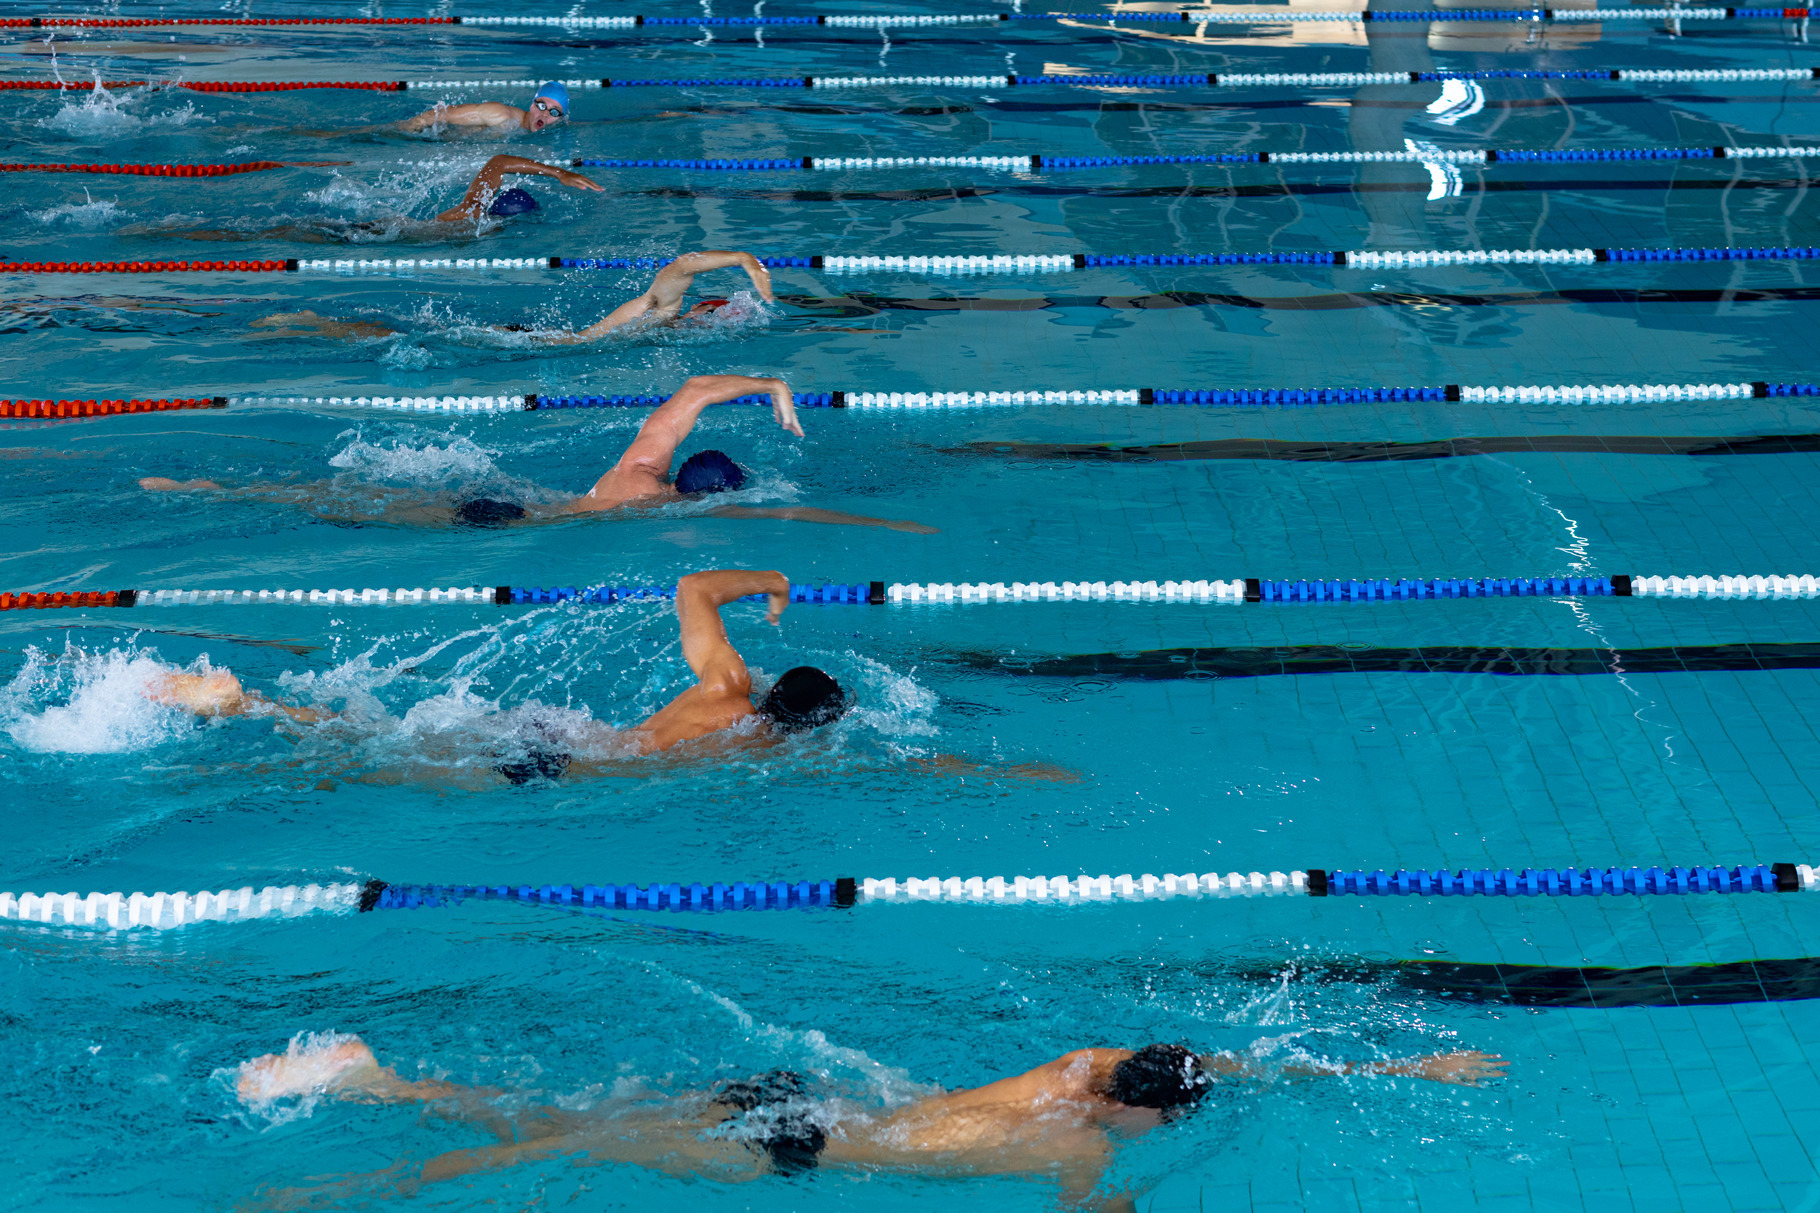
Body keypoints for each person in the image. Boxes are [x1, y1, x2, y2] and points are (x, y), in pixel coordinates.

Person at [233, 1034, 1507, 1206]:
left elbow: (1212, 1062)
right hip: (791, 1143)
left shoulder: (1080, 1071)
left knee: (564, 1112)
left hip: (796, 1100)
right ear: (1136, 1114)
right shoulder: (1079, 1139)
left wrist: (1411, 1071)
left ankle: (384, 1083)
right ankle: (355, 1178)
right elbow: (1092, 1209)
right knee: (556, 1144)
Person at [147, 568, 847, 773]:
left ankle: (258, 706)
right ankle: (245, 707)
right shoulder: (757, 746)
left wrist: (772, 579)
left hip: (556, 727)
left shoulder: (727, 683)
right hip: (562, 759)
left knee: (386, 732)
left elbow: (693, 586)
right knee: (374, 755)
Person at [139, 373, 939, 533]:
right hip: (507, 522)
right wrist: (888, 526)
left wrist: (769, 383)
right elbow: (798, 511)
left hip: (515, 499)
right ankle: (204, 489)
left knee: (339, 501)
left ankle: (205, 484)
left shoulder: (639, 469)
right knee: (336, 509)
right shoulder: (660, 508)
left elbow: (692, 390)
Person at [252, 249, 776, 344]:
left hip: (547, 341)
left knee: (429, 337)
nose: (715, 322)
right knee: (418, 337)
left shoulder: (671, 331)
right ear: (706, 308)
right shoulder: (667, 310)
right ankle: (311, 321)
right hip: (547, 342)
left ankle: (312, 322)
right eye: (719, 315)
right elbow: (682, 266)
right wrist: (742, 260)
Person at [398, 81, 572, 136]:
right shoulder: (500, 114)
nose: (544, 113)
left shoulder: (554, 129)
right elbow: (443, 114)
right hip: (425, 137)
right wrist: (408, 127)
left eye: (554, 111)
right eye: (541, 105)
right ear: (531, 104)